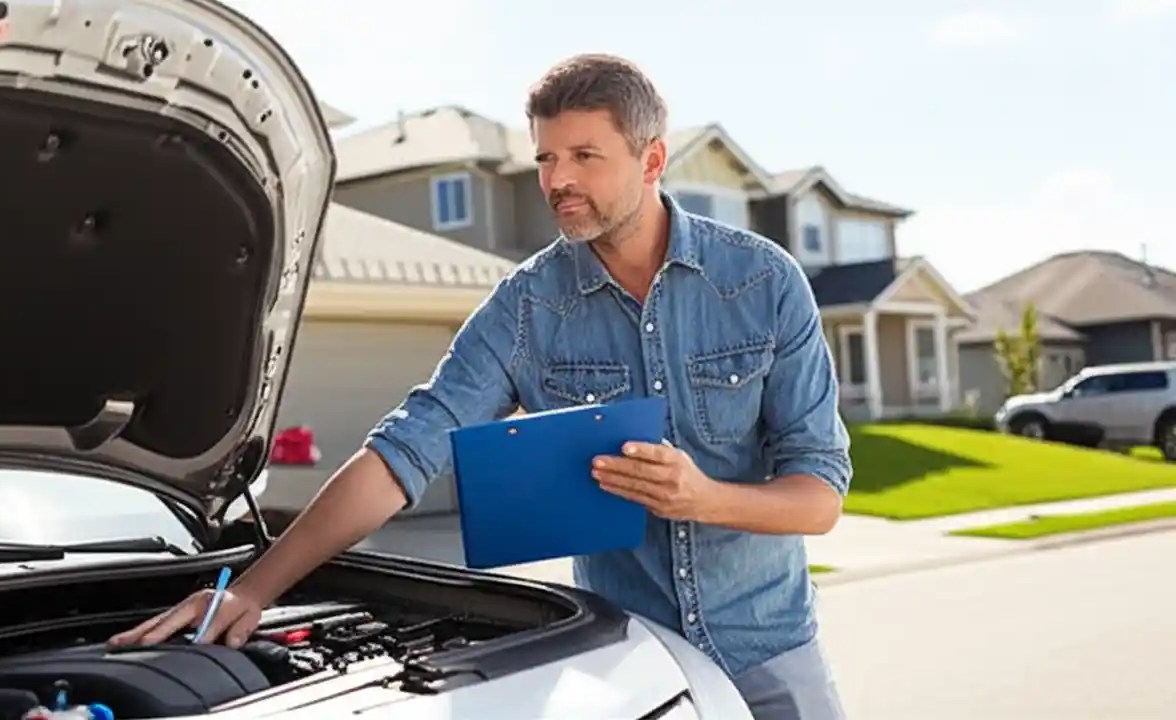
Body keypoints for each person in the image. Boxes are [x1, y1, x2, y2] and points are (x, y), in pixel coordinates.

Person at [109, 53, 852, 719]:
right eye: (546, 158)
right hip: (636, 659)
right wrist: (252, 589)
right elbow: (406, 450)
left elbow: (820, 493)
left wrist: (705, 498)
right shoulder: (527, 307)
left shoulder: (761, 283)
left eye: (585, 156)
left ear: (652, 158)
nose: (557, 180)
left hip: (772, 655)